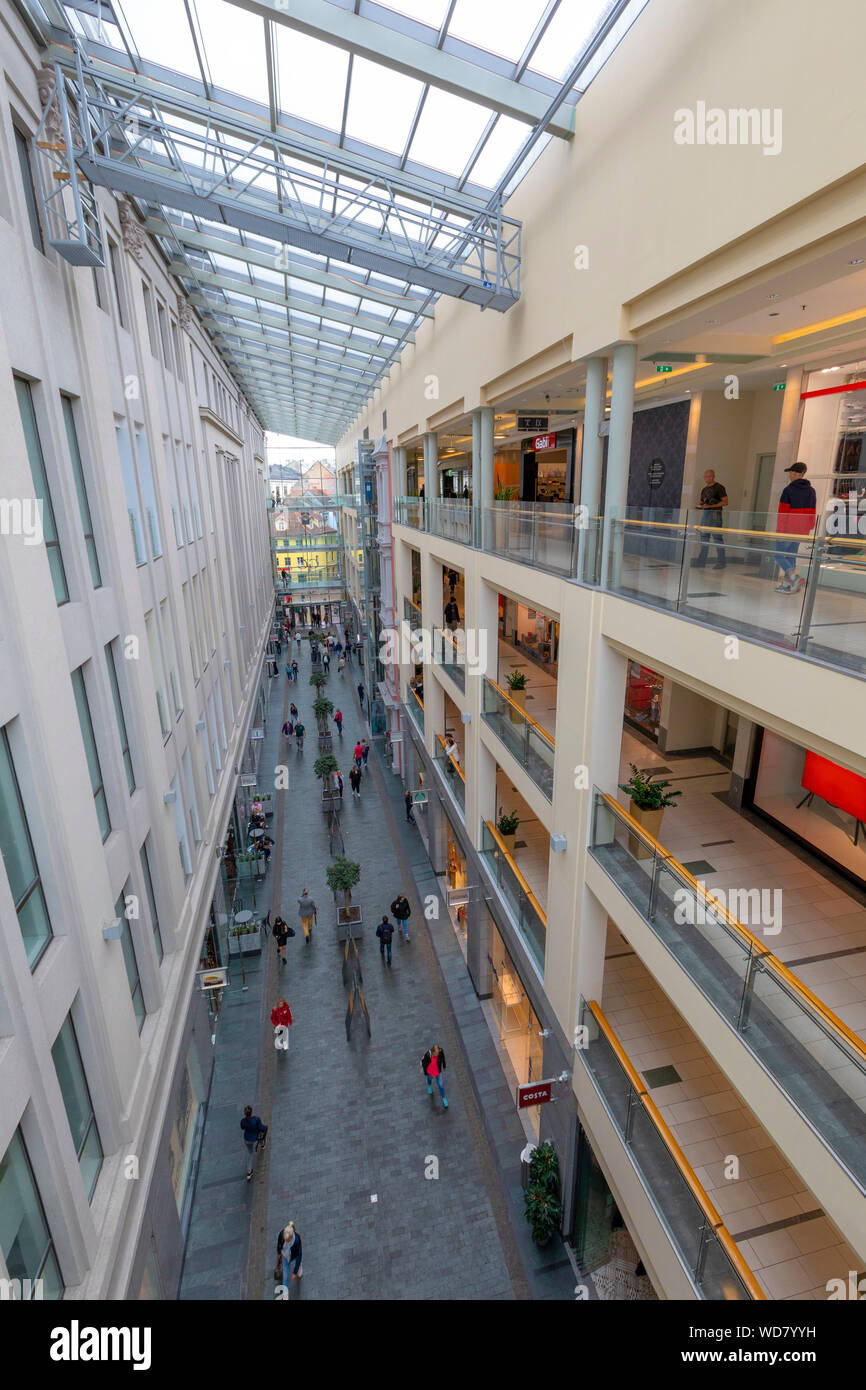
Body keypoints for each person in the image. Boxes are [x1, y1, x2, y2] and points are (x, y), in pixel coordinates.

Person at [775, 461, 817, 593]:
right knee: (790, 556)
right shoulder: (811, 491)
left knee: (778, 555)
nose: (790, 475)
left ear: (795, 473)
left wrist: (780, 531)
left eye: (790, 473)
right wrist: (809, 527)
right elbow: (812, 511)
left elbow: (783, 512)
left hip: (788, 529)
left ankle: (794, 577)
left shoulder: (788, 490)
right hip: (801, 530)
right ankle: (788, 586)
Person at [693, 469, 728, 569]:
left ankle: (721, 562)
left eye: (709, 476)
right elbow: (703, 502)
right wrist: (701, 506)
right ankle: (701, 561)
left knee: (717, 538)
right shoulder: (704, 489)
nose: (707, 478)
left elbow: (725, 502)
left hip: (715, 515)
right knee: (704, 537)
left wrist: (712, 506)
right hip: (706, 514)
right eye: (705, 477)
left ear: (713, 476)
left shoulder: (719, 487)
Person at [240, 1105, 266, 1181]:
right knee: (260, 1136)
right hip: (255, 1137)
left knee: (250, 1153)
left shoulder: (243, 1121)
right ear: (251, 1112)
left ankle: (249, 1172)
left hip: (247, 1139)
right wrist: (264, 1128)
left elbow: (242, 1127)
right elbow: (261, 1127)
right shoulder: (256, 1119)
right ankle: (262, 1145)